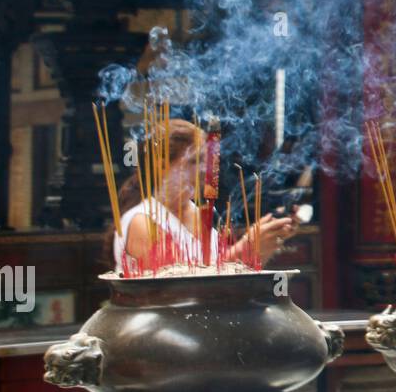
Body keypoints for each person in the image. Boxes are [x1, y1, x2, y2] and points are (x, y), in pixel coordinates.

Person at [114, 118, 295, 275]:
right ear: (162, 166)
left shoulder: (201, 214)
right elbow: (180, 293)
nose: (204, 169)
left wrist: (263, 247)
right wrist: (244, 250)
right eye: (194, 161)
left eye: (205, 160)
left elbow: (228, 286)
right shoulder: (143, 222)